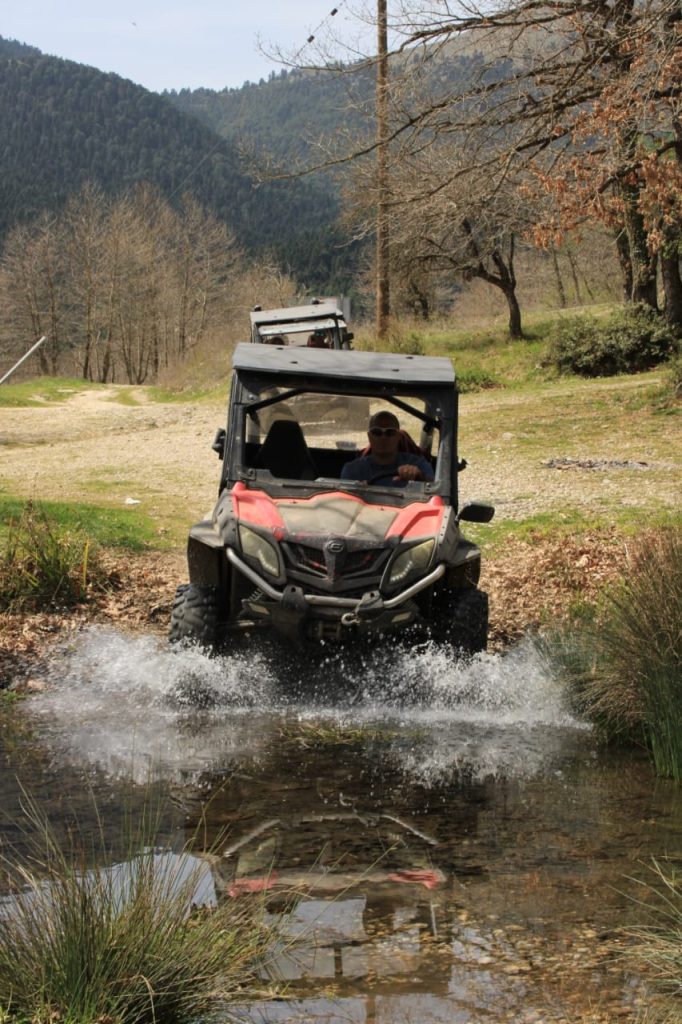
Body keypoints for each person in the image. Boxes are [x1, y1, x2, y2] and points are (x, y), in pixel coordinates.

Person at [340, 411, 434, 487]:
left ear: (398, 436)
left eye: (390, 433)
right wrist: (357, 492)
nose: (383, 437)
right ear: (369, 436)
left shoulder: (418, 464)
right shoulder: (352, 470)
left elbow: (436, 490)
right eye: (377, 432)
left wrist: (419, 477)